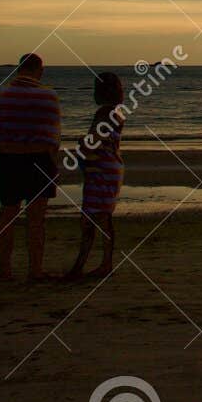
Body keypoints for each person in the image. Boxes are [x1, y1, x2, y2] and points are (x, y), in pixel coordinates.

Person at [0, 53, 62, 282]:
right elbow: (53, 137)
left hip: (11, 158)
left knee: (7, 214)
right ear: (39, 70)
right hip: (40, 158)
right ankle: (35, 270)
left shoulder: (5, 95)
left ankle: (5, 270)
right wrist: (54, 163)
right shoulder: (49, 96)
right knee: (36, 219)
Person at [67, 72, 126, 280]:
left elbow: (95, 141)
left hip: (100, 170)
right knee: (100, 217)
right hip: (108, 168)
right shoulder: (115, 113)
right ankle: (99, 263)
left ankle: (90, 265)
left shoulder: (104, 114)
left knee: (93, 218)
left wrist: (82, 144)